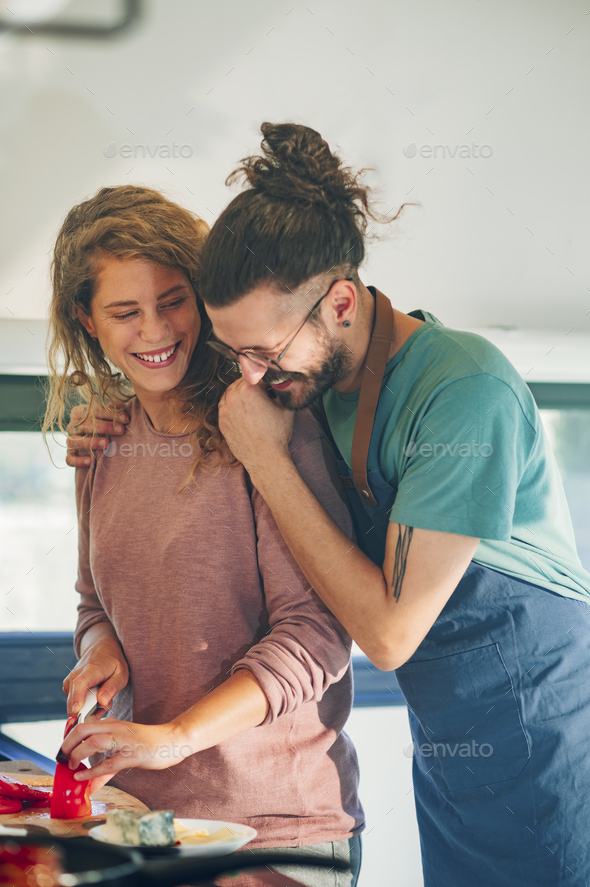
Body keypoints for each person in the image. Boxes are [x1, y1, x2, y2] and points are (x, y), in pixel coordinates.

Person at [191, 123, 590, 886]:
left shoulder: (462, 388)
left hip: (552, 742)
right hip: (449, 757)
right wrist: (96, 426)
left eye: (264, 353)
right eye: (230, 351)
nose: (248, 376)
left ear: (340, 301)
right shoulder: (304, 380)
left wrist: (268, 458)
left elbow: (390, 632)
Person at [45, 184, 364, 887]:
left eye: (174, 300)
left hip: (277, 833)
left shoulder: (270, 426)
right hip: (143, 824)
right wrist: (100, 651)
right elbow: (93, 599)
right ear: (87, 320)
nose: (156, 332)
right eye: (125, 312)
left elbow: (315, 634)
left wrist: (176, 738)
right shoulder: (102, 440)